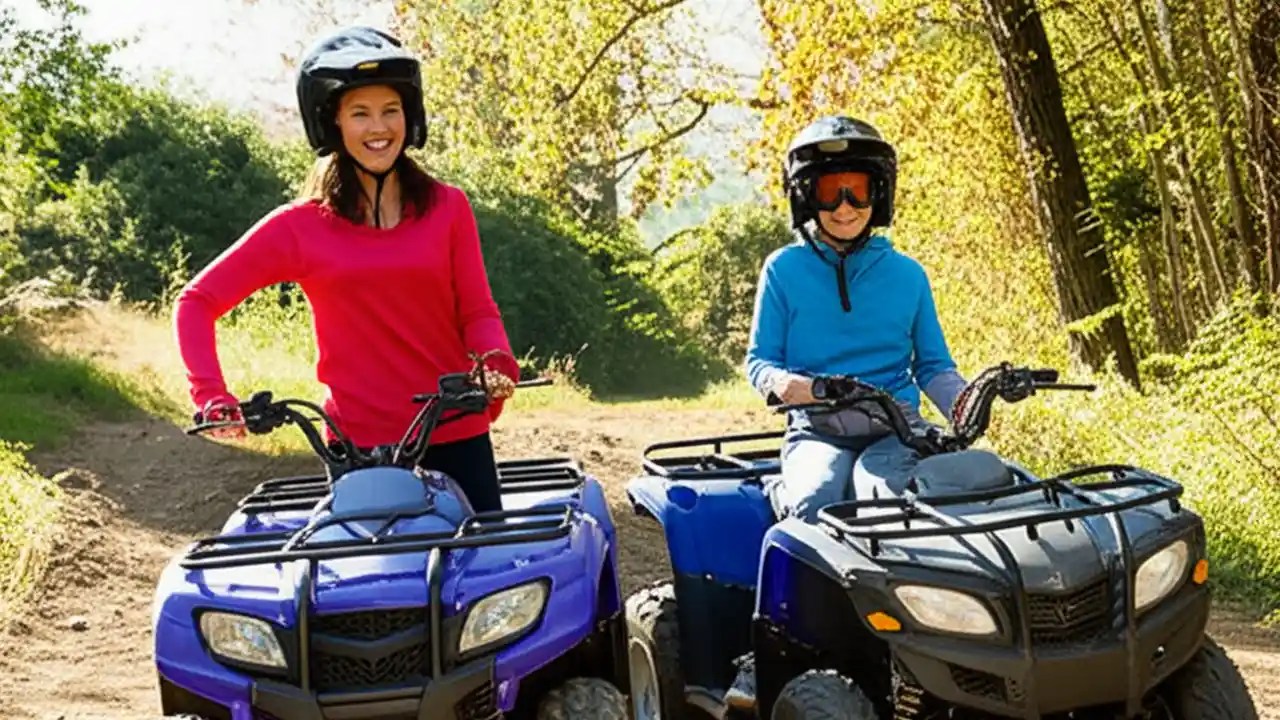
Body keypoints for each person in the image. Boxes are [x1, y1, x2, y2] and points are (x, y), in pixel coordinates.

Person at [173, 26, 520, 513]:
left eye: (390, 110)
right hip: (356, 450)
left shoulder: (449, 208)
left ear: (409, 116)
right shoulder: (300, 227)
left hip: (456, 433)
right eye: (360, 113)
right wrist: (212, 394)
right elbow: (197, 301)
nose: (378, 127)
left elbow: (478, 311)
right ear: (332, 123)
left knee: (486, 578)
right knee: (367, 588)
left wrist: (496, 360)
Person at [723, 116, 969, 707]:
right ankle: (769, 651)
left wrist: (966, 399)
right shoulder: (782, 270)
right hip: (819, 433)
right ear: (807, 195)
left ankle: (947, 645)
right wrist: (801, 388)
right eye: (830, 191)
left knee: (932, 502)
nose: (845, 205)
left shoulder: (908, 276)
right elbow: (761, 363)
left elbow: (934, 366)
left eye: (857, 188)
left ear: (878, 194)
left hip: (897, 432)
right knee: (814, 503)